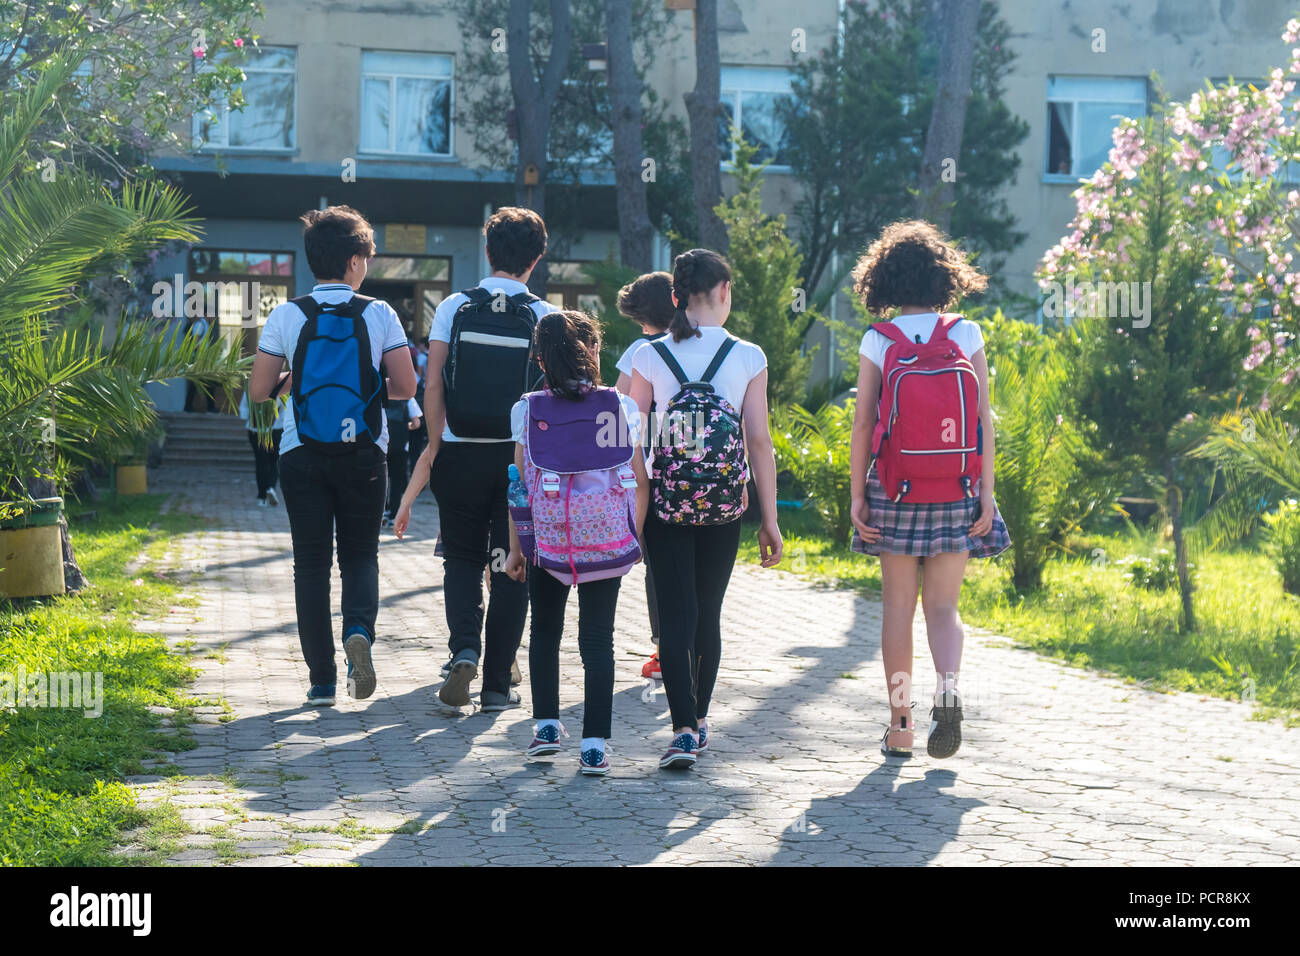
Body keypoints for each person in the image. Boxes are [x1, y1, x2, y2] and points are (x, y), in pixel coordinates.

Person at [847, 220, 1011, 760]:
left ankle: (900, 725)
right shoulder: (965, 332)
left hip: (896, 490)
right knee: (944, 609)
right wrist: (986, 493)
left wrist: (857, 496)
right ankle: (948, 691)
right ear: (945, 276)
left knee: (897, 611)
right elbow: (983, 418)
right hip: (957, 487)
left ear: (885, 279)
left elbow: (864, 423)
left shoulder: (880, 339)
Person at [248, 205, 417, 707]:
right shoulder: (380, 313)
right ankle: (358, 632)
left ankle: (321, 680)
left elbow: (259, 391)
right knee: (361, 554)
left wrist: (293, 381)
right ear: (354, 263)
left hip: (301, 452)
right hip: (365, 452)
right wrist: (367, 383)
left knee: (311, 565)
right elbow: (406, 386)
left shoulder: (287, 314)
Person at [394, 206, 559, 711]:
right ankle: (495, 687)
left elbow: (434, 380)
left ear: (488, 252)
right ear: (536, 259)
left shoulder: (455, 307)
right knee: (512, 564)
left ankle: (464, 646)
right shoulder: (545, 315)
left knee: (462, 562)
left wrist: (436, 444)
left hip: (460, 453)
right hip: (518, 462)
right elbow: (550, 396)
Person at [628, 248, 783, 769]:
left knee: (675, 616)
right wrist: (770, 519)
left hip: (666, 505)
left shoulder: (649, 355)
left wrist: (642, 490)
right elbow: (759, 442)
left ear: (675, 297)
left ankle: (682, 729)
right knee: (707, 617)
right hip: (723, 504)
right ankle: (702, 718)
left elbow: (633, 435)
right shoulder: (748, 356)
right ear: (724, 291)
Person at [503, 311, 649, 774]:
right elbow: (639, 481)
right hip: (605, 541)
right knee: (598, 640)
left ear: (540, 358)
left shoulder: (527, 409)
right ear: (593, 352)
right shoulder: (621, 408)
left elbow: (520, 485)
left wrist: (516, 548)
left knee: (544, 632)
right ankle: (594, 746)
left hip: (549, 542)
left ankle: (546, 727)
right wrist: (633, 535)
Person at [613, 272, 675, 683]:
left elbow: (618, 412)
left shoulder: (640, 349)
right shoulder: (692, 343)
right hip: (689, 463)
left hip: (645, 468)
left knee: (656, 564)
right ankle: (691, 646)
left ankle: (663, 650)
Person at [238, 390, 287, 507]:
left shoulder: (251, 385)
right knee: (274, 460)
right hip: (275, 430)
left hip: (255, 430)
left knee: (261, 462)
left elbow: (244, 409)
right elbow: (284, 412)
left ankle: (262, 496)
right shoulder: (280, 385)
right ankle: (271, 487)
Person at [382, 395, 423, 528]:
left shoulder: (380, 394)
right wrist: (406, 426)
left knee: (383, 478)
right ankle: (394, 513)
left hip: (383, 444)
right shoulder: (408, 398)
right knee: (397, 480)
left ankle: (383, 510)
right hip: (401, 445)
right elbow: (417, 423)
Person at [186, 316, 219, 412]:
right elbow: (195, 341)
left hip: (203, 358)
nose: (214, 317)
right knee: (206, 382)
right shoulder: (200, 324)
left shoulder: (205, 324)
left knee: (200, 383)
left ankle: (188, 407)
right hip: (200, 358)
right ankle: (210, 408)